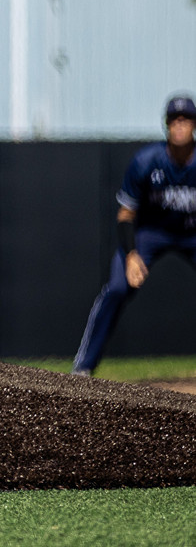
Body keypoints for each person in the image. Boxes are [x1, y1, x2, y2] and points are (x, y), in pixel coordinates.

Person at [70, 94, 196, 376]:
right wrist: (131, 254)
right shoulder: (146, 161)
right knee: (116, 288)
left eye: (186, 119)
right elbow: (126, 216)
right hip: (150, 232)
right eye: (173, 120)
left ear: (194, 126)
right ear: (165, 125)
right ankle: (83, 369)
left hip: (192, 232)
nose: (179, 125)